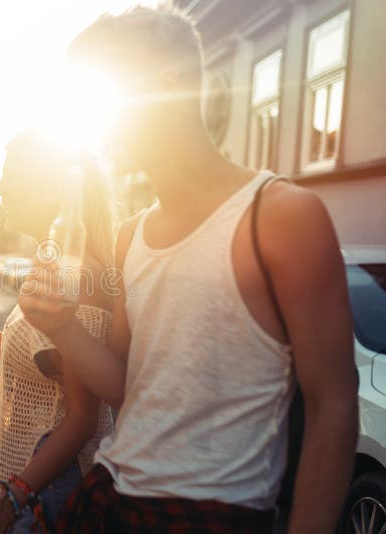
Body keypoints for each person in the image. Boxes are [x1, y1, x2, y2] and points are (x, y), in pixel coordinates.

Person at [19, 6, 358, 533]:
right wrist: (62, 325)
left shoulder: (280, 215)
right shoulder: (131, 234)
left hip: (211, 517)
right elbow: (133, 389)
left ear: (167, 83)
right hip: (111, 500)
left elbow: (333, 404)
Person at [0, 129, 116, 533]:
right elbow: (59, 373)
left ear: (49, 190)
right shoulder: (55, 262)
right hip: (36, 484)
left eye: (13, 175)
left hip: (53, 490)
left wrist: (10, 498)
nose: (1, 187)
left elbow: (81, 418)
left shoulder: (82, 274)